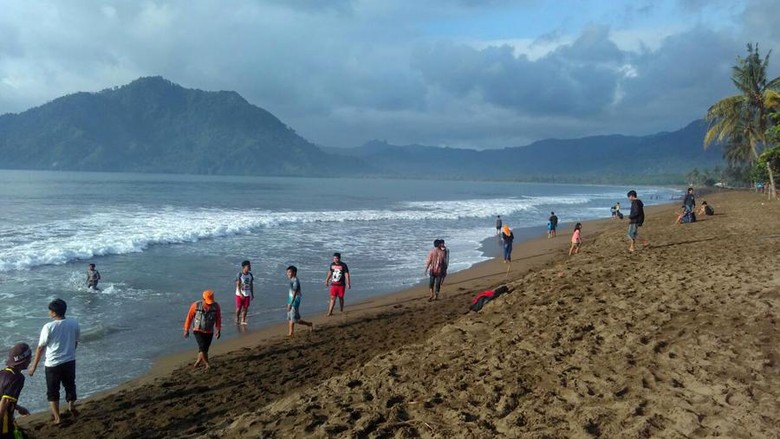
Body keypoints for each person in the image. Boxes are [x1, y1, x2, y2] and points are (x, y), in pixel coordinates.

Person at [28, 298, 80, 424]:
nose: (48, 313)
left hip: (53, 364)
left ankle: (57, 417)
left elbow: (41, 347)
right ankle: (71, 406)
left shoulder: (48, 326)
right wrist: (69, 353)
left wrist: (33, 366)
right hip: (69, 361)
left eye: (50, 311)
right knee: (70, 385)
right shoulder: (74, 323)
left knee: (52, 390)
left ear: (54, 313)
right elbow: (75, 342)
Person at [183, 290, 221, 370]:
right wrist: (186, 329)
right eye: (207, 302)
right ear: (203, 299)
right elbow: (189, 317)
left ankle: (198, 361)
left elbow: (218, 318)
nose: (209, 304)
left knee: (204, 349)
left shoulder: (216, 306)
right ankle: (207, 364)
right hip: (198, 330)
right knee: (203, 347)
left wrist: (218, 329)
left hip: (209, 331)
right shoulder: (195, 305)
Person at [1, 343, 32, 439]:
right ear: (24, 360)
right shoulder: (17, 377)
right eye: (30, 357)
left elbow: (2, 396)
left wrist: (18, 407)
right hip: (3, 424)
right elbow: (4, 402)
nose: (31, 360)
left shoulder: (3, 373)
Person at [286, 266, 313, 336]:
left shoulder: (295, 281)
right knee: (290, 317)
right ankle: (291, 332)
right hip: (291, 298)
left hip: (295, 300)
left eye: (289, 272)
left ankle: (309, 324)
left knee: (294, 319)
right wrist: (288, 302)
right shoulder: (292, 279)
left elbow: (295, 293)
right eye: (287, 272)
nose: (287, 274)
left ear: (294, 273)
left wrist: (291, 303)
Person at [235, 260, 254, 325]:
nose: (250, 267)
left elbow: (251, 285)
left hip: (247, 294)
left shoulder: (250, 275)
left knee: (246, 308)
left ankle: (243, 319)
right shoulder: (240, 275)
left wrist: (252, 294)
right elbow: (238, 285)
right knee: (239, 308)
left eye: (250, 266)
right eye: (248, 266)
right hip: (239, 294)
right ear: (244, 267)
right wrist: (240, 294)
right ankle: (237, 318)